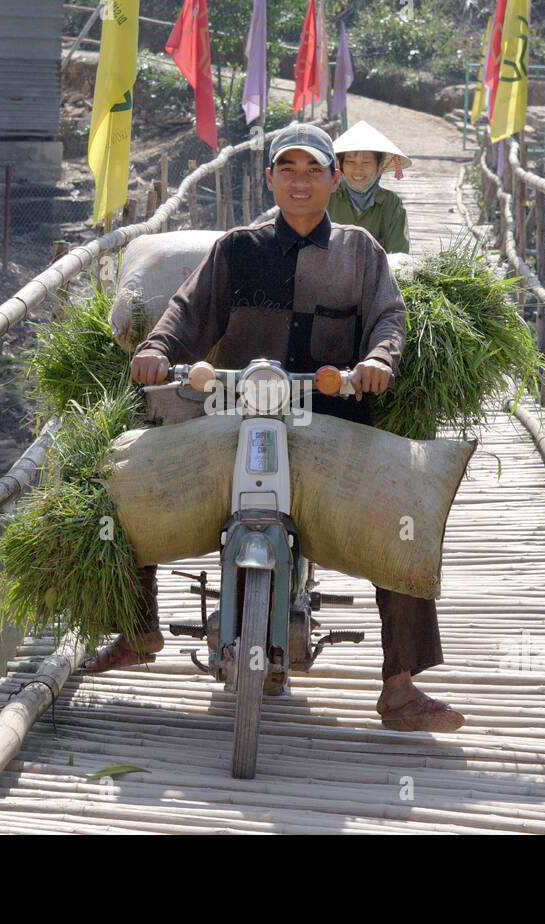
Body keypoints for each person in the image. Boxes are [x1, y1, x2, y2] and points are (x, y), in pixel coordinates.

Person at [80, 122, 463, 734]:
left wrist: (375, 363)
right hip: (235, 419)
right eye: (288, 170)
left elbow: (390, 320)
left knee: (404, 510)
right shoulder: (237, 248)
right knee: (125, 479)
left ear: (334, 180)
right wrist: (155, 350)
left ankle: (399, 687)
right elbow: (184, 314)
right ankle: (138, 627)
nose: (301, 182)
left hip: (329, 428)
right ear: (270, 180)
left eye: (314, 170)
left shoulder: (361, 253)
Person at [325, 121, 412, 255]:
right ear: (340, 165)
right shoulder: (327, 197)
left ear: (379, 166)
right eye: (350, 162)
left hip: (378, 275)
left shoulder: (391, 203)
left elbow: (399, 254)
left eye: (366, 162)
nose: (357, 169)